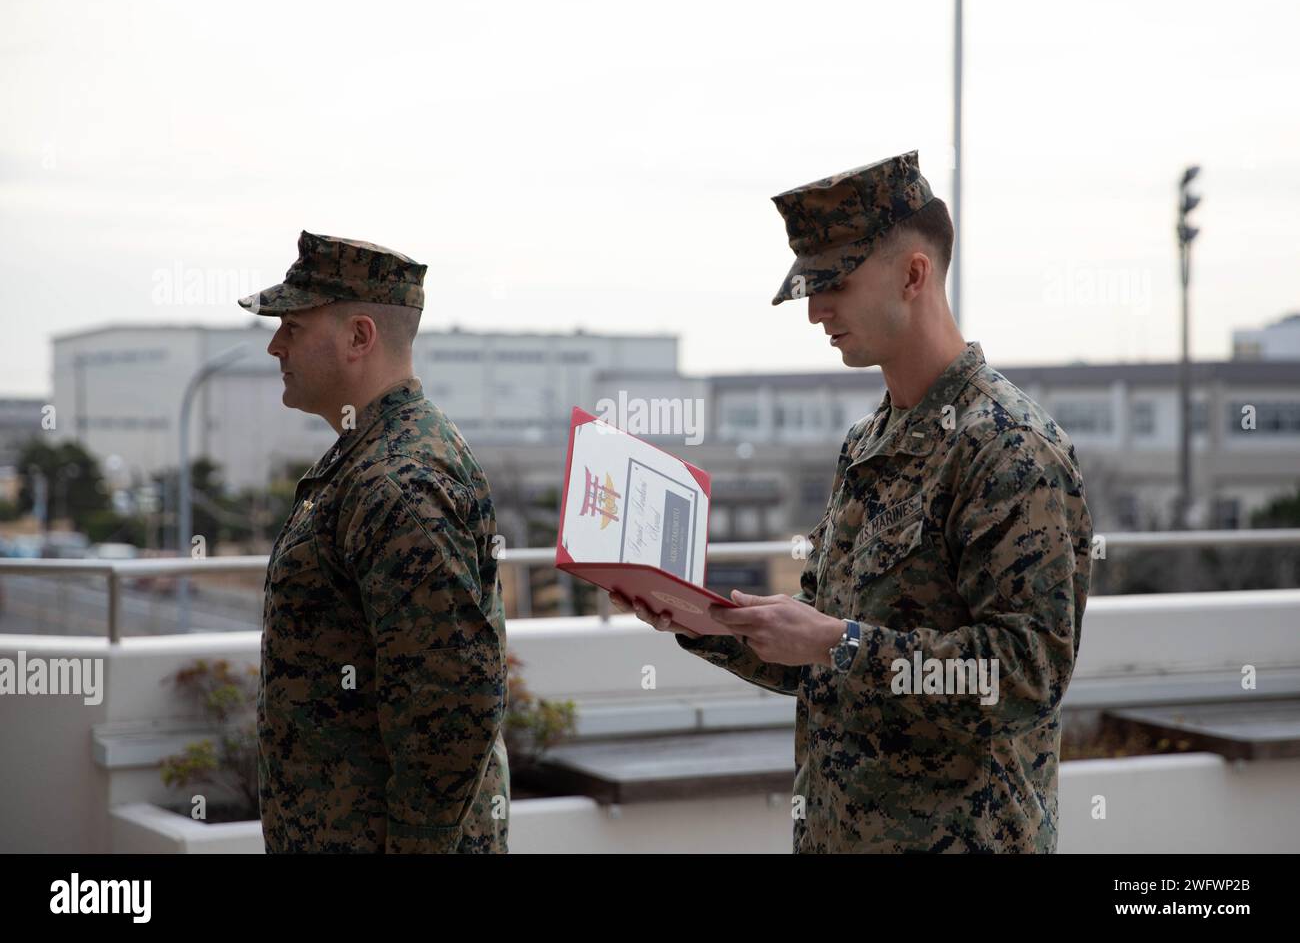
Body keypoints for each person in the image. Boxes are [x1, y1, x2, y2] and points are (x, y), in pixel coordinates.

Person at [613, 151, 1092, 852]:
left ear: (913, 275)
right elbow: (818, 653)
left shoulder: (1009, 449)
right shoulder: (868, 444)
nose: (815, 312)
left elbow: (1024, 674)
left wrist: (841, 645)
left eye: (834, 283)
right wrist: (700, 618)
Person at [241, 230, 508, 852]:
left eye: (293, 326)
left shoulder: (397, 481)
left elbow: (451, 694)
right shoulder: (372, 456)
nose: (275, 345)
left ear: (361, 336)